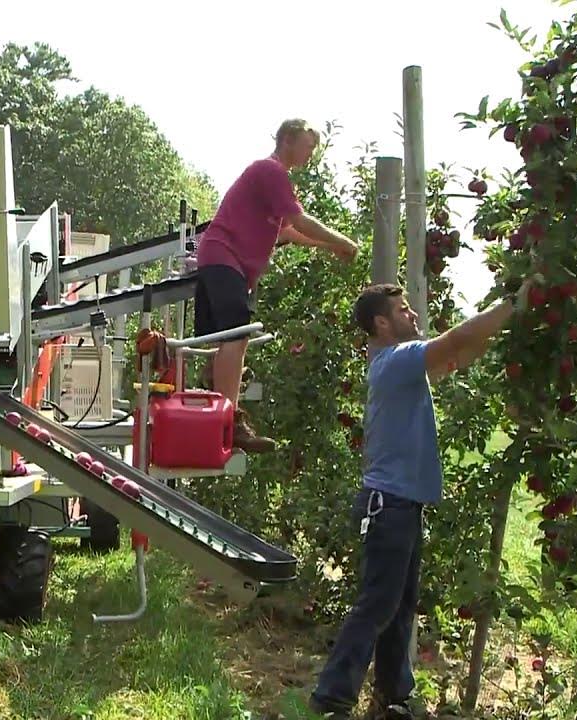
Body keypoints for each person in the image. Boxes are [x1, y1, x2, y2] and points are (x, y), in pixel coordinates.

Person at [307, 280, 532, 719]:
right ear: (381, 322)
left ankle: (392, 698)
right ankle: (330, 698)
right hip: (388, 505)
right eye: (403, 309)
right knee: (378, 604)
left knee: (397, 606)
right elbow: (457, 340)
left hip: (401, 505)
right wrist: (513, 301)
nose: (412, 315)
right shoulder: (395, 360)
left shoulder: (400, 365)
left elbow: (462, 353)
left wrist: (507, 320)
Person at [194, 119, 360, 453]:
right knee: (235, 334)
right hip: (224, 255)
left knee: (228, 339)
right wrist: (346, 241)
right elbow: (300, 220)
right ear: (287, 140)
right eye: (308, 146)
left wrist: (332, 247)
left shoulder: (273, 182)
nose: (311, 154)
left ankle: (217, 404)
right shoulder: (270, 171)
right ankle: (228, 420)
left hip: (230, 264)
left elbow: (288, 232)